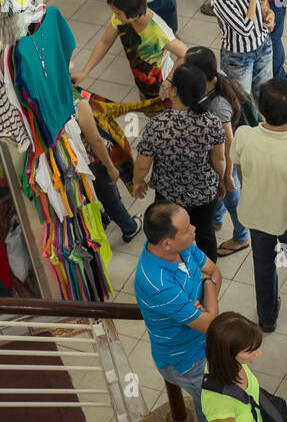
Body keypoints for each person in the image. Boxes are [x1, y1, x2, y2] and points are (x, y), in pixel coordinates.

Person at [133, 200, 221, 422]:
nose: (195, 229)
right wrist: (207, 290)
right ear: (166, 243)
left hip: (203, 345)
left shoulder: (185, 247)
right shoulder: (155, 280)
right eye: (186, 229)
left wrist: (206, 299)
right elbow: (210, 320)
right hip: (185, 361)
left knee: (209, 405)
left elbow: (215, 271)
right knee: (218, 411)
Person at [232, 77, 287, 345]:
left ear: (259, 107)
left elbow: (240, 172)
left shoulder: (244, 135)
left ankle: (267, 318)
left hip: (257, 217)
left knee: (263, 264)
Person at [132, 64, 226, 262]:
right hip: (204, 192)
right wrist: (221, 180)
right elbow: (219, 159)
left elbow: (142, 164)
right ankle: (208, 273)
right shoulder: (212, 123)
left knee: (169, 237)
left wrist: (138, 181)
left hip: (169, 197)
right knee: (205, 233)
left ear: (174, 92)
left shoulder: (157, 125)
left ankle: (174, 270)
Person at [178, 44, 249, 259]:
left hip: (226, 159)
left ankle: (241, 234)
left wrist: (227, 175)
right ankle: (216, 219)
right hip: (216, 158)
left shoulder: (217, 105)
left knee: (230, 195)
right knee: (218, 192)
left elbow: (229, 142)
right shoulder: (217, 78)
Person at [69, 0, 186, 101]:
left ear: (131, 10)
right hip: (144, 85)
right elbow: (105, 42)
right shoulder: (121, 19)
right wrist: (84, 72)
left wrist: (169, 81)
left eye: (118, 13)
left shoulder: (158, 31)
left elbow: (185, 54)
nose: (115, 16)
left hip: (164, 88)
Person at [75, 93, 142, 244]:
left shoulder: (41, 104)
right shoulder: (76, 103)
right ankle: (130, 227)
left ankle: (102, 219)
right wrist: (111, 168)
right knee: (109, 198)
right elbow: (95, 140)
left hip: (69, 165)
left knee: (86, 197)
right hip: (92, 162)